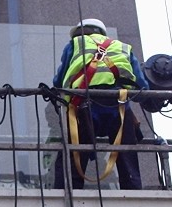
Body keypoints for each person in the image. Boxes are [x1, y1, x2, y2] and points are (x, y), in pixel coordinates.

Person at [52, 18, 149, 190]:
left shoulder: (75, 44)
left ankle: (66, 191)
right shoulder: (123, 47)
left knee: (74, 151)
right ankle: (134, 193)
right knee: (126, 152)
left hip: (84, 105)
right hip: (118, 105)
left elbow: (58, 82)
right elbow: (142, 88)